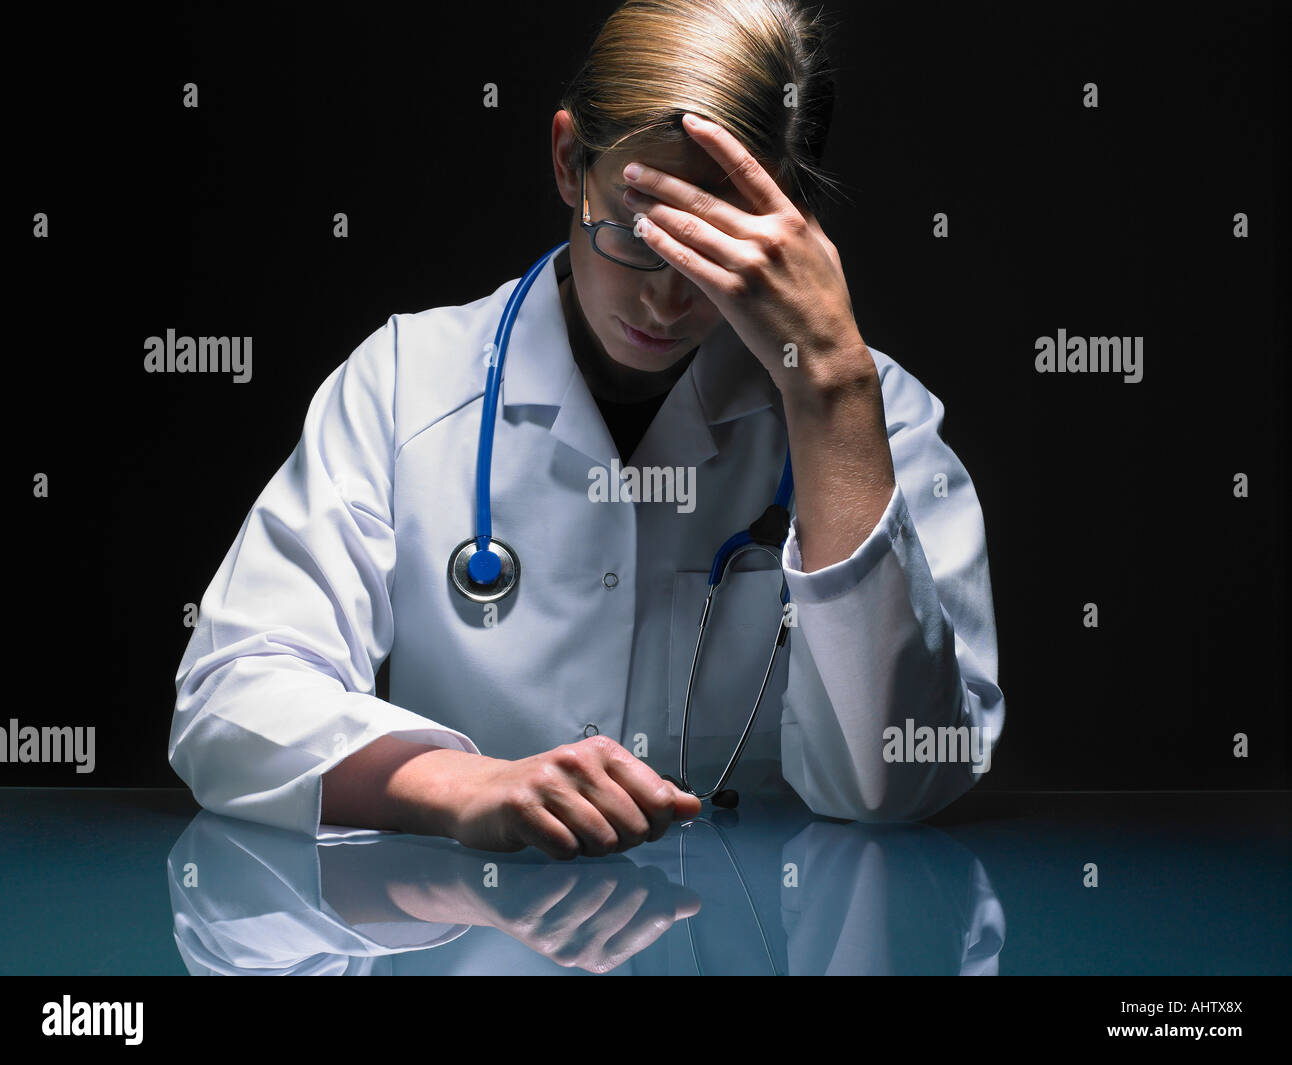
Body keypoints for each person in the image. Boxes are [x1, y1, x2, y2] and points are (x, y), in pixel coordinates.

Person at [169, 0, 1005, 858]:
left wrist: (828, 388)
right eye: (640, 233)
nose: (668, 298)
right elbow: (228, 701)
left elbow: (896, 784)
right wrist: (465, 787)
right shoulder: (402, 384)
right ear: (570, 162)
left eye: (716, 247)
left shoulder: (874, 416)